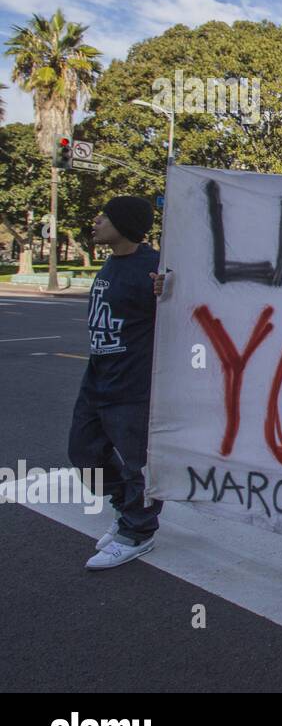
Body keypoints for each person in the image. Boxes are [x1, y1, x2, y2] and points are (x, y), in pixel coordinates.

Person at [67, 196, 164, 570]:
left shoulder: (154, 268)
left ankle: (138, 532)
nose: (96, 220)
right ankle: (126, 509)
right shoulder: (110, 263)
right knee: (83, 453)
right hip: (96, 380)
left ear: (123, 224)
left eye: (104, 215)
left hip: (132, 386)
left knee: (138, 465)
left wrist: (167, 292)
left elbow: (187, 310)